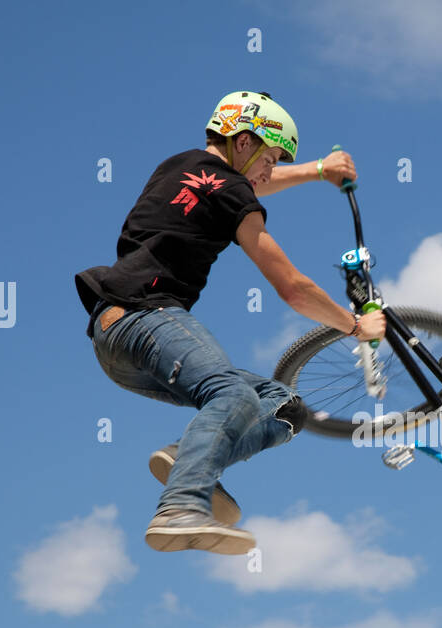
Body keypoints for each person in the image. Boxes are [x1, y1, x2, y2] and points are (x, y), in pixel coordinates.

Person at [75, 91, 386, 556]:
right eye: (272, 157)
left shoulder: (178, 165)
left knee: (284, 407)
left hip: (115, 342)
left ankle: (190, 459)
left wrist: (319, 170)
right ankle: (181, 504)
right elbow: (293, 288)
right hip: (147, 316)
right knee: (233, 394)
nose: (270, 170)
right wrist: (356, 326)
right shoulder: (234, 191)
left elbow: (247, 183)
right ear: (244, 142)